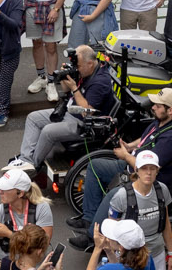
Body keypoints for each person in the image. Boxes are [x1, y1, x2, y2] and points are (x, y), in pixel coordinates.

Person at [19, 45, 114, 175]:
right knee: (33, 118)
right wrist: (65, 78)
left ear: (90, 64)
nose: (77, 69)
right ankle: (25, 161)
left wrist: (74, 88)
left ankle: (32, 167)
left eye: (78, 66)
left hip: (83, 123)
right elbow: (65, 90)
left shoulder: (100, 81)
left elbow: (87, 112)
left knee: (48, 131)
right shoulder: (86, 70)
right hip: (69, 111)